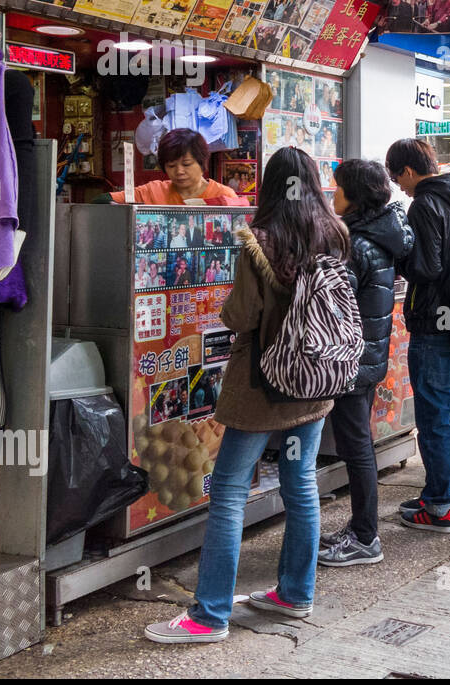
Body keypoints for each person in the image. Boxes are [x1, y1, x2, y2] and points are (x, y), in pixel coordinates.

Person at [144, 148, 348, 644]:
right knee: (300, 481)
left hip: (262, 385)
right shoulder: (335, 233)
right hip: (314, 381)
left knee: (230, 492)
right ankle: (295, 594)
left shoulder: (260, 241)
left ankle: (209, 615)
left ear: (272, 186)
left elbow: (241, 316)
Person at [318, 159, 413, 566]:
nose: (332, 194)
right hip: (367, 357)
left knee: (357, 447)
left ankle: (365, 537)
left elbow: (337, 308)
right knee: (358, 445)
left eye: (337, 188)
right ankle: (359, 529)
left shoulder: (356, 243)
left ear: (355, 195)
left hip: (352, 362)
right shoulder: (376, 235)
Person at [386, 138, 450, 533]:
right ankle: (446, 490)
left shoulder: (424, 204)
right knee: (449, 412)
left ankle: (439, 506)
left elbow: (428, 267)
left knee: (434, 415)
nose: (397, 186)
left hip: (433, 323)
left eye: (396, 177)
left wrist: (399, 251)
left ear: (408, 170)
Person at [108, 129, 244, 205]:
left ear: (201, 163)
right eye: (171, 165)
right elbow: (103, 200)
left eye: (186, 164)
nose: (179, 171)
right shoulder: (153, 191)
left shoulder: (224, 196)